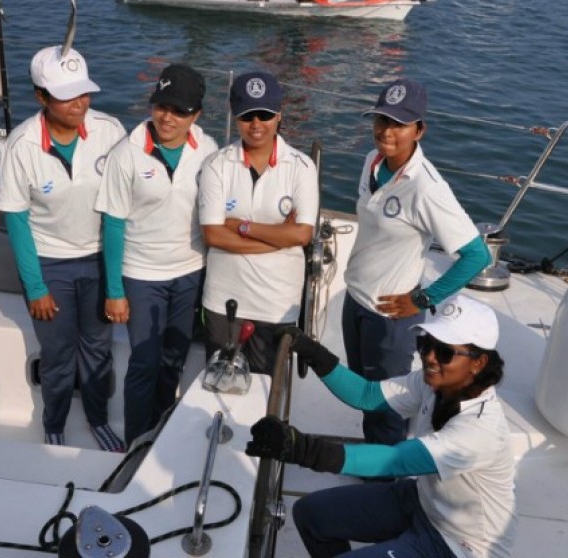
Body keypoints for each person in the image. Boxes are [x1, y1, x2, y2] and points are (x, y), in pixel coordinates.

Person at [247, 295, 516, 558]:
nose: (430, 358)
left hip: (461, 546)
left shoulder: (481, 431)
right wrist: (311, 351)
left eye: (445, 352)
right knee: (311, 515)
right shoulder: (431, 383)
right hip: (423, 502)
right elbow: (366, 395)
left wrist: (301, 449)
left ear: (478, 363)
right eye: (426, 344)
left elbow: (396, 460)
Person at [343, 79, 491, 446]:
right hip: (356, 301)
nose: (386, 131)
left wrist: (423, 299)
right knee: (365, 396)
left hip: (390, 317)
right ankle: (375, 463)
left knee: (386, 407)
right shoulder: (372, 161)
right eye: (381, 120)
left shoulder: (427, 188)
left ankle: (384, 481)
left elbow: (476, 256)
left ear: (419, 130)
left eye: (398, 124)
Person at [0, 45, 127, 451]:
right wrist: (35, 287)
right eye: (67, 95)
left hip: (99, 259)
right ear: (40, 97)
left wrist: (116, 284)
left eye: (84, 92)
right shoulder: (21, 147)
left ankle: (97, 419)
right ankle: (53, 423)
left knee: (98, 348)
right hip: (49, 262)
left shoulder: (111, 131)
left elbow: (120, 212)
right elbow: (16, 221)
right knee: (57, 352)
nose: (80, 103)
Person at [95, 64, 218, 446]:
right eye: (161, 106)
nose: (167, 117)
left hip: (189, 272)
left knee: (174, 361)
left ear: (195, 115)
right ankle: (136, 441)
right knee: (145, 362)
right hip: (141, 274)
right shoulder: (126, 154)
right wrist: (114, 290)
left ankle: (162, 436)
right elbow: (113, 224)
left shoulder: (209, 150)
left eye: (179, 111)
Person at [198, 71, 319, 374]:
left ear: (279, 116)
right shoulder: (216, 165)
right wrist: (278, 238)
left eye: (264, 115)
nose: (256, 125)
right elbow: (213, 235)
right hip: (223, 299)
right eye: (247, 115)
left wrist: (241, 226)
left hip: (278, 304)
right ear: (234, 116)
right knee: (218, 385)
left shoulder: (302, 167)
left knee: (270, 391)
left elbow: (303, 234)